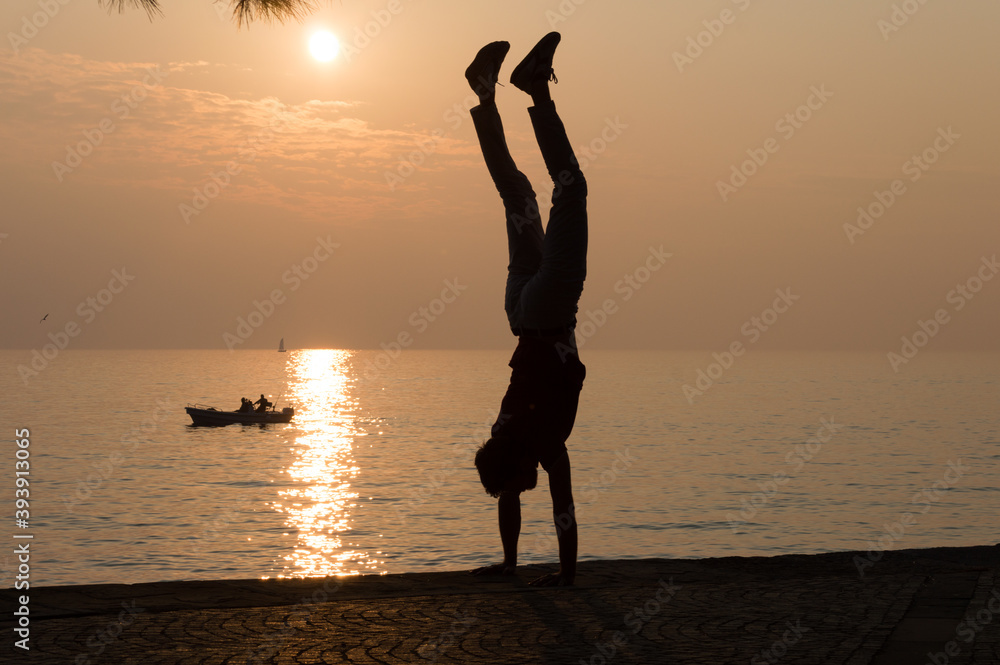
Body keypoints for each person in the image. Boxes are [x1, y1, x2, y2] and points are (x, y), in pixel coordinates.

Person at [467, 32, 587, 587]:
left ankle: (535, 89)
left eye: (518, 481)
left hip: (548, 308)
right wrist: (510, 566)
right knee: (518, 196)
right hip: (517, 308)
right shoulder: (503, 434)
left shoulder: (537, 443)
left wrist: (566, 575)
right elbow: (508, 491)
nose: (522, 487)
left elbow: (562, 504)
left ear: (516, 463)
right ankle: (486, 97)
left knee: (572, 190)